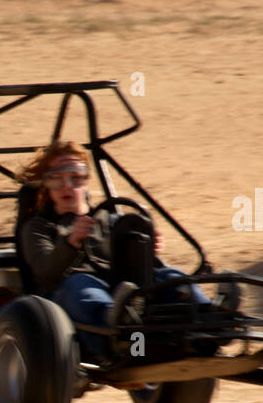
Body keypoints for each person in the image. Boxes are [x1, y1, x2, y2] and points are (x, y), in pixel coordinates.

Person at [17, 139, 208, 361]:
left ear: (86, 180)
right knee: (82, 284)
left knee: (170, 276)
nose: (67, 185)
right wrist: (70, 243)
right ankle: (120, 333)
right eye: (57, 179)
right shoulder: (38, 227)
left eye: (75, 176)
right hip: (65, 299)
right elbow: (45, 272)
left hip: (123, 290)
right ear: (46, 186)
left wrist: (147, 252)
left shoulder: (111, 220)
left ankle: (208, 321)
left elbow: (136, 271)